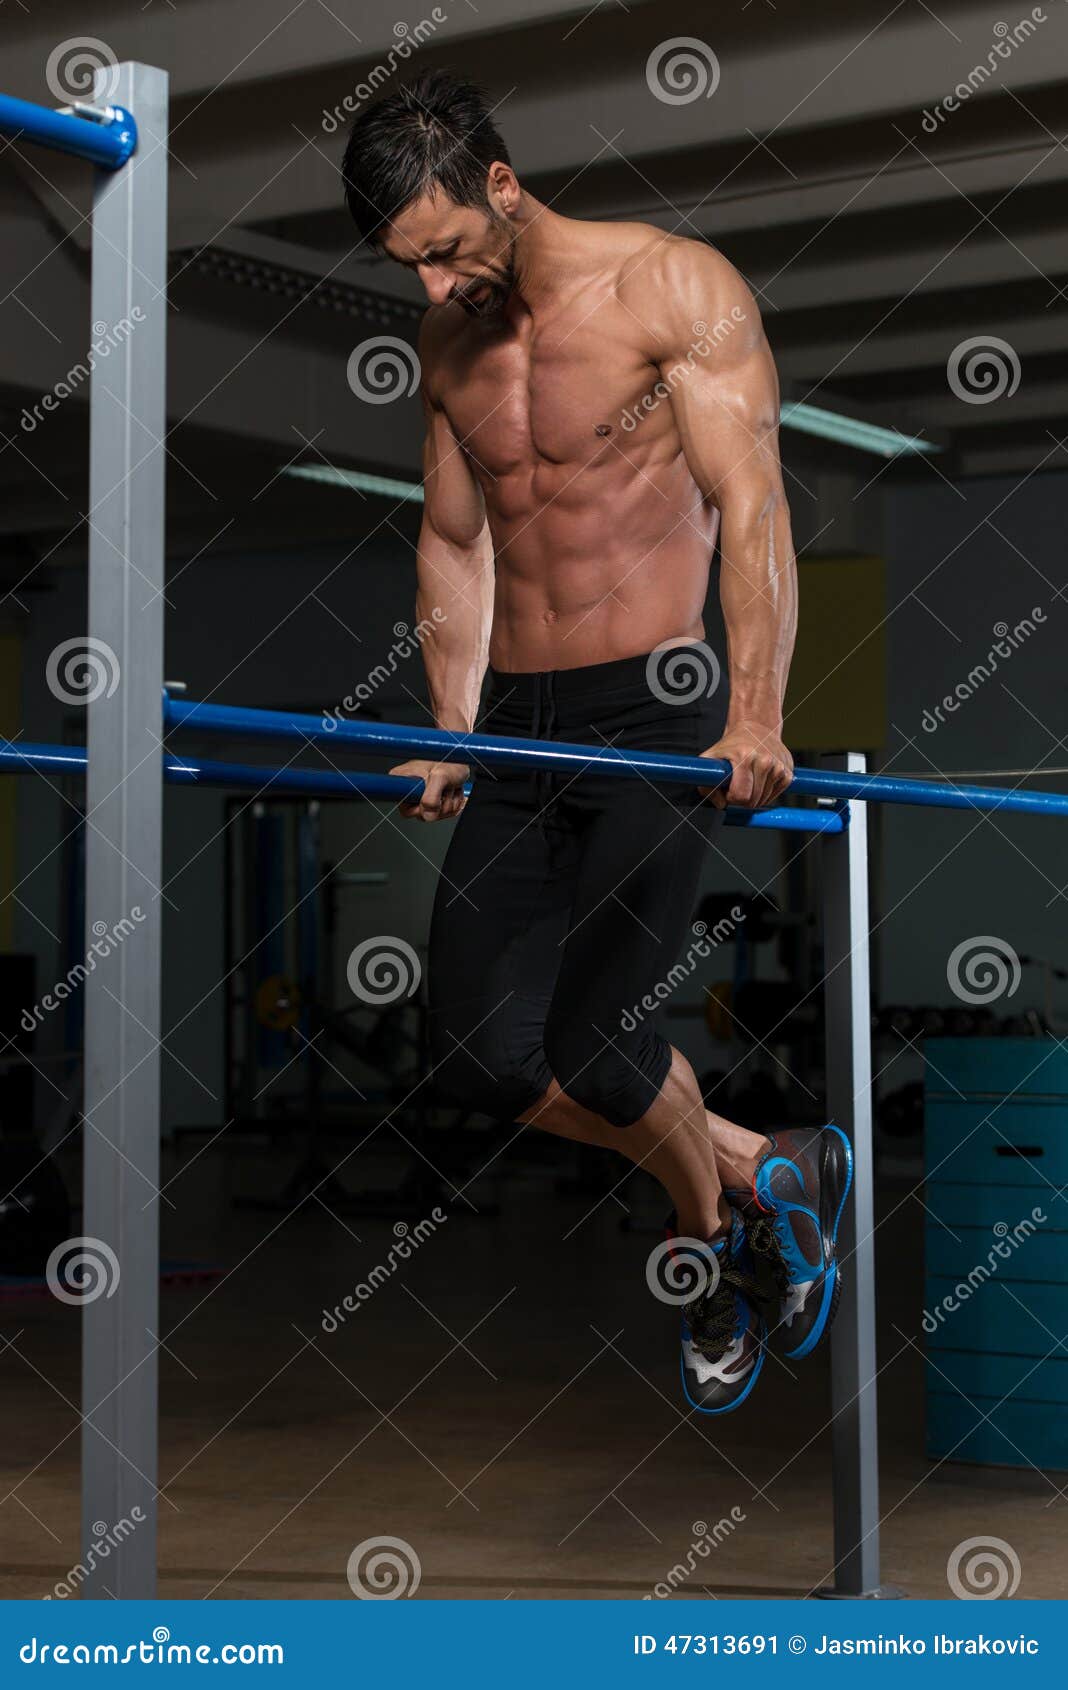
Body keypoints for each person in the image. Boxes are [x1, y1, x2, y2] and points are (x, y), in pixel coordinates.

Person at [341, 71, 852, 1415]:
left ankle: (714, 1246)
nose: (440, 291)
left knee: (606, 1048)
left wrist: (756, 708)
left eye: (451, 252)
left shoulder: (669, 290)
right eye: (414, 272)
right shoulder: (448, 352)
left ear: (502, 188)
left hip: (659, 709)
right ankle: (766, 1172)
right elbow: (456, 541)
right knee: (475, 1056)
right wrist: (451, 732)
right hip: (520, 722)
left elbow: (752, 508)